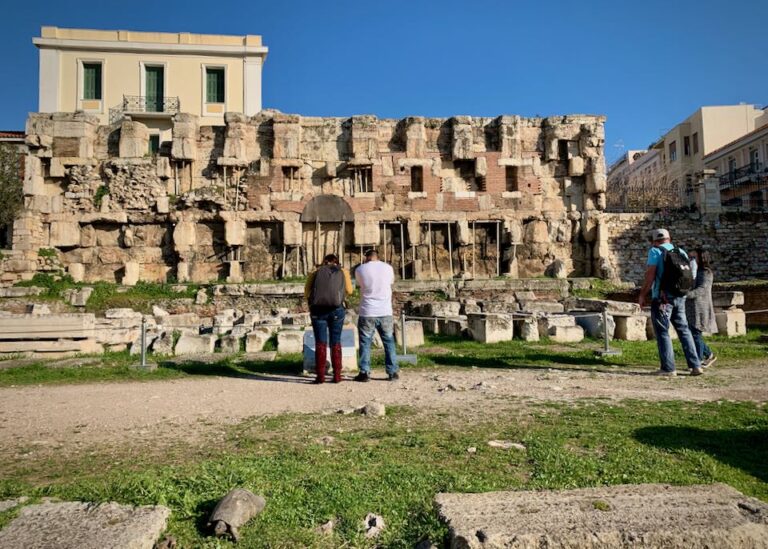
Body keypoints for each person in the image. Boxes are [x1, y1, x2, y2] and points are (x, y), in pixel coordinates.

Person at [638, 228, 703, 376]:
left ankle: (668, 368)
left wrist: (642, 295)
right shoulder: (681, 252)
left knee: (662, 332)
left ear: (654, 241)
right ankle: (696, 365)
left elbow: (650, 275)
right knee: (684, 330)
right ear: (669, 238)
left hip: (662, 298)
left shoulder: (655, 251)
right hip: (680, 295)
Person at [305, 254, 353, 384]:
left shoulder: (316, 271)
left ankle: (320, 376)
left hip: (318, 311)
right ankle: (337, 375)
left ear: (324, 261)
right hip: (337, 310)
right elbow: (350, 290)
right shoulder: (343, 272)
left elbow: (306, 292)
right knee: (335, 341)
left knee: (320, 342)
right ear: (337, 262)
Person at [353, 249, 399, 382]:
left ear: (366, 257)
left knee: (365, 342)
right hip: (385, 311)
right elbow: (390, 283)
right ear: (377, 256)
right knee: (389, 341)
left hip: (367, 310)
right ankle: (392, 372)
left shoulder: (360, 269)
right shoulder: (388, 268)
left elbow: (359, 285)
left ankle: (364, 372)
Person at [685, 249, 718, 367]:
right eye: (691, 258)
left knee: (695, 333)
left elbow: (702, 289)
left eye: (694, 257)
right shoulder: (694, 271)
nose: (692, 260)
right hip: (690, 307)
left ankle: (697, 361)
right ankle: (709, 354)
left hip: (700, 307)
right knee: (693, 333)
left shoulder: (706, 272)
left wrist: (687, 294)